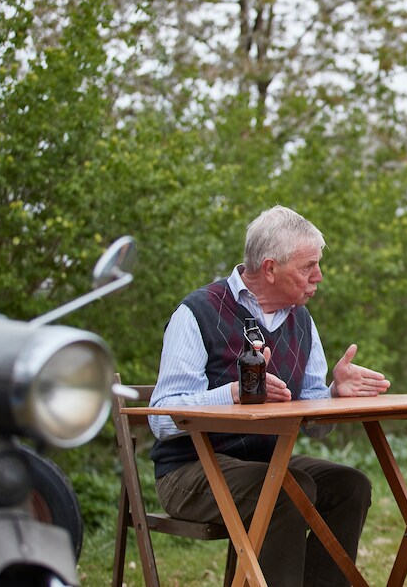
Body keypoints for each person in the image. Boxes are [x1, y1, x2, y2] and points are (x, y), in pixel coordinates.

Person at [149, 205, 392, 587]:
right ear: (269, 268)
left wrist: (334, 395)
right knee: (285, 489)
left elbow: (315, 427)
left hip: (268, 462)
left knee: (350, 486)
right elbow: (161, 418)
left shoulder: (301, 320)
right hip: (189, 471)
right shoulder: (196, 312)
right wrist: (232, 393)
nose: (319, 277)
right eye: (307, 267)